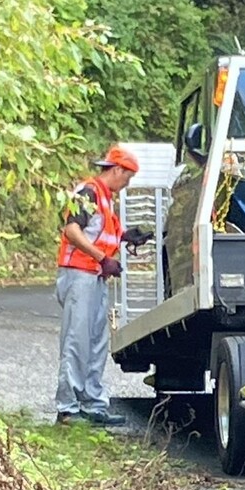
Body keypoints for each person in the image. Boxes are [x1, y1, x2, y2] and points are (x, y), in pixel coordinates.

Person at [54, 145, 151, 426]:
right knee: (76, 341)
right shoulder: (89, 192)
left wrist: (126, 236)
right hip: (79, 275)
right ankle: (68, 408)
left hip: (94, 275)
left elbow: (100, 231)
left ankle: (92, 404)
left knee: (96, 342)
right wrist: (102, 258)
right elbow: (72, 230)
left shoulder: (105, 198)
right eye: (128, 177)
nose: (127, 184)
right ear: (117, 170)